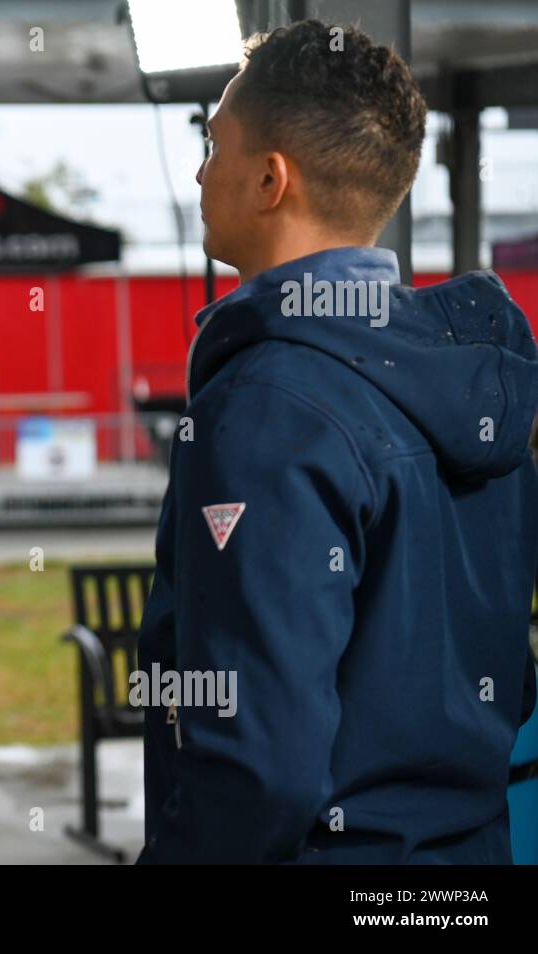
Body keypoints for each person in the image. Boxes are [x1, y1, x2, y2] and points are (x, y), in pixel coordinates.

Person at [136, 20, 538, 863]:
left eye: (215, 145)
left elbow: (258, 769)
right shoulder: (474, 388)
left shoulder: (267, 408)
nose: (202, 171)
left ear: (269, 180)